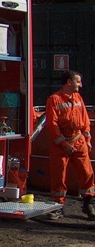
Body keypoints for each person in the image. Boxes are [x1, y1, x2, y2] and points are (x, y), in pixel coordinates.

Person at [44, 70, 95, 220]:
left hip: (79, 141)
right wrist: (64, 144)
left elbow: (85, 121)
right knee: (59, 176)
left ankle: (89, 204)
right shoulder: (54, 100)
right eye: (78, 81)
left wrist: (88, 140)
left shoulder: (78, 98)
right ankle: (58, 207)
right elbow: (52, 125)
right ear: (69, 82)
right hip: (61, 145)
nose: (81, 85)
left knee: (87, 173)